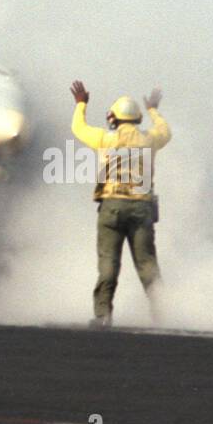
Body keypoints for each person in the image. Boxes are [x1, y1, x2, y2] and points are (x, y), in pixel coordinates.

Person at [69, 80, 171, 328]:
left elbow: (78, 128)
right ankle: (163, 316)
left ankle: (103, 316)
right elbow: (165, 131)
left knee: (109, 263)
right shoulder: (149, 139)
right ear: (136, 119)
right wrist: (153, 110)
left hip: (112, 208)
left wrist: (81, 104)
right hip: (142, 208)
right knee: (147, 263)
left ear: (114, 118)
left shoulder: (105, 139)